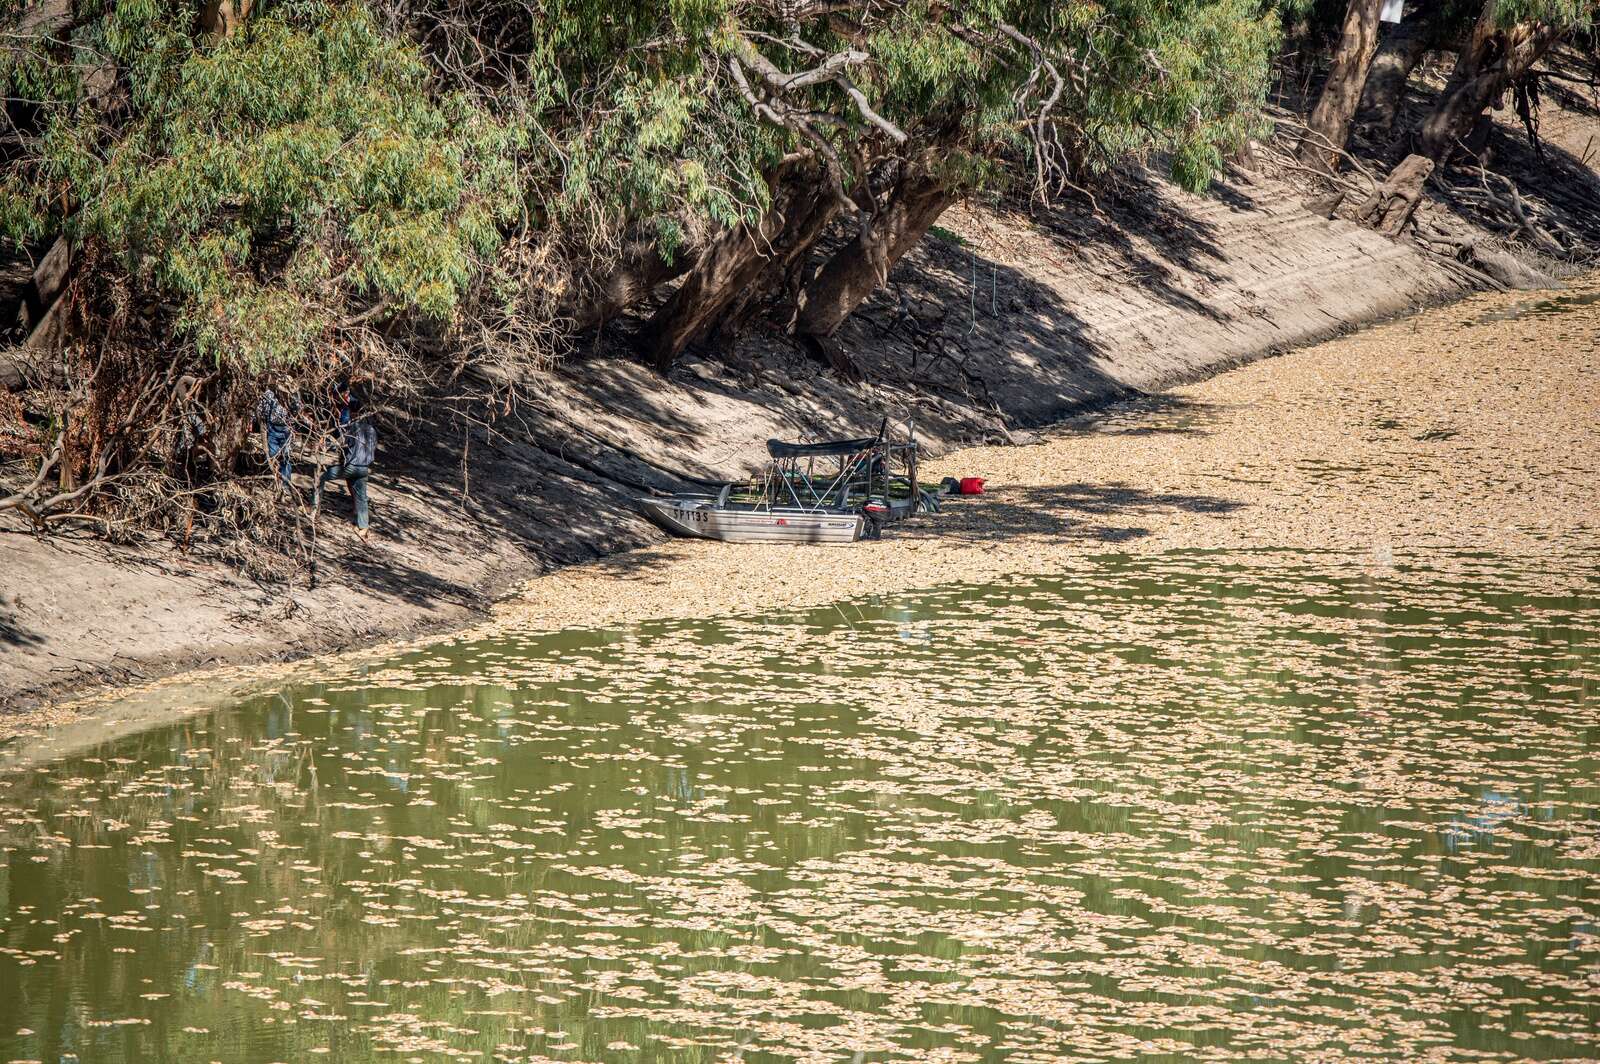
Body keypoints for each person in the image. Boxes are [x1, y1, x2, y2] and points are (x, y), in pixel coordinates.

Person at [315, 396, 377, 542]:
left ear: (352, 412)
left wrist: (325, 445)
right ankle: (363, 527)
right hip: (364, 468)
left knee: (322, 477)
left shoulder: (353, 427)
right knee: (362, 496)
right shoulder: (372, 430)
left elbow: (343, 443)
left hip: (352, 466)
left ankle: (314, 507)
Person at [253, 381, 299, 486]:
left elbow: (297, 411)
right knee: (273, 455)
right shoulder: (269, 395)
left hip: (287, 429)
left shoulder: (294, 397)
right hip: (272, 428)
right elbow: (260, 411)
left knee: (286, 458)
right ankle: (275, 480)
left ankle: (285, 485)